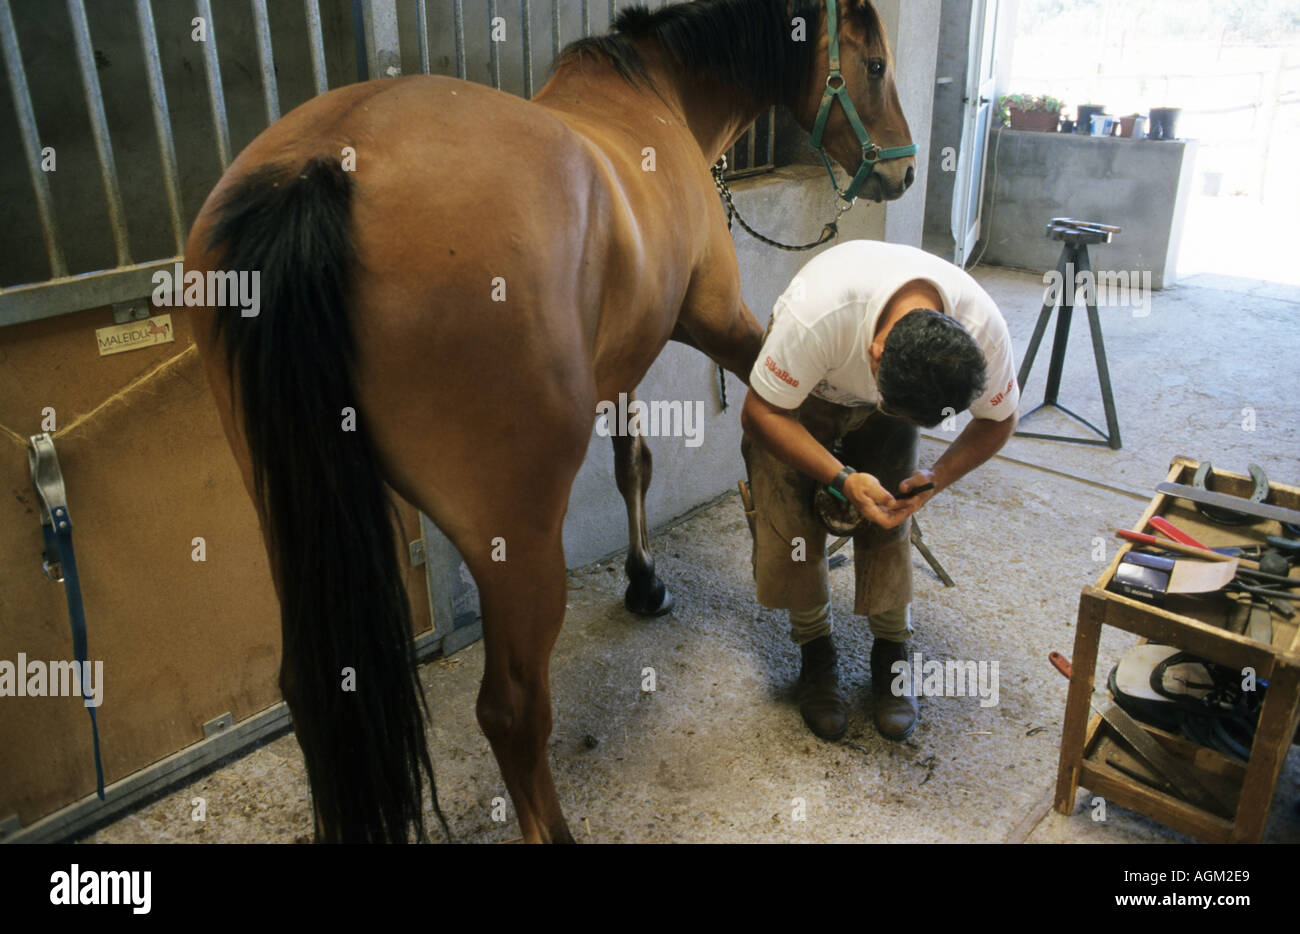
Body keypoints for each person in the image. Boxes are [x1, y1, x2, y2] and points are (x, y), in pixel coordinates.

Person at [740, 240, 1019, 742]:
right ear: (876, 354)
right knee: (791, 524)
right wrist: (842, 478)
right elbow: (761, 412)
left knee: (890, 512)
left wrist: (937, 477)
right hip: (802, 398)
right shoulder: (816, 316)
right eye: (899, 408)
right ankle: (816, 652)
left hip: (883, 401)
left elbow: (1000, 420)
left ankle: (892, 652)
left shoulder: (983, 334)